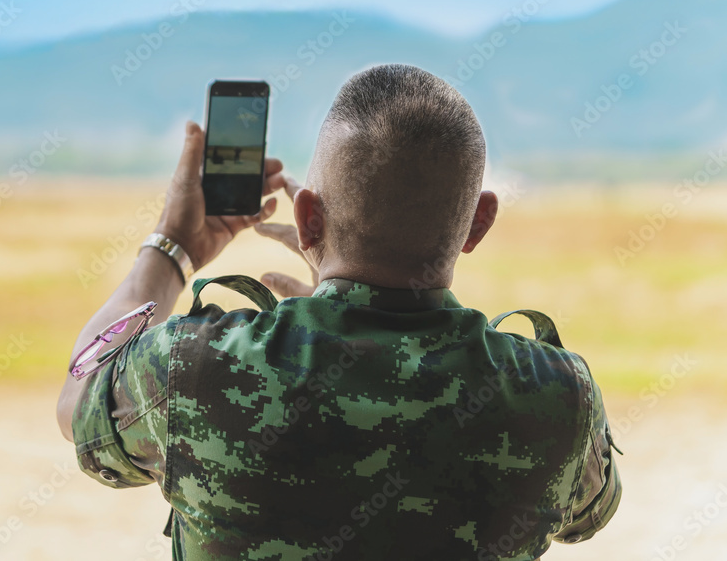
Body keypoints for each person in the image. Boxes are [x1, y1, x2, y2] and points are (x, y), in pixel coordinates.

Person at [57, 64, 621, 560]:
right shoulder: (557, 396)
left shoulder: (195, 368)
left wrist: (174, 246)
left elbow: (80, 395)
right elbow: (591, 512)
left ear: (307, 220)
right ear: (479, 223)